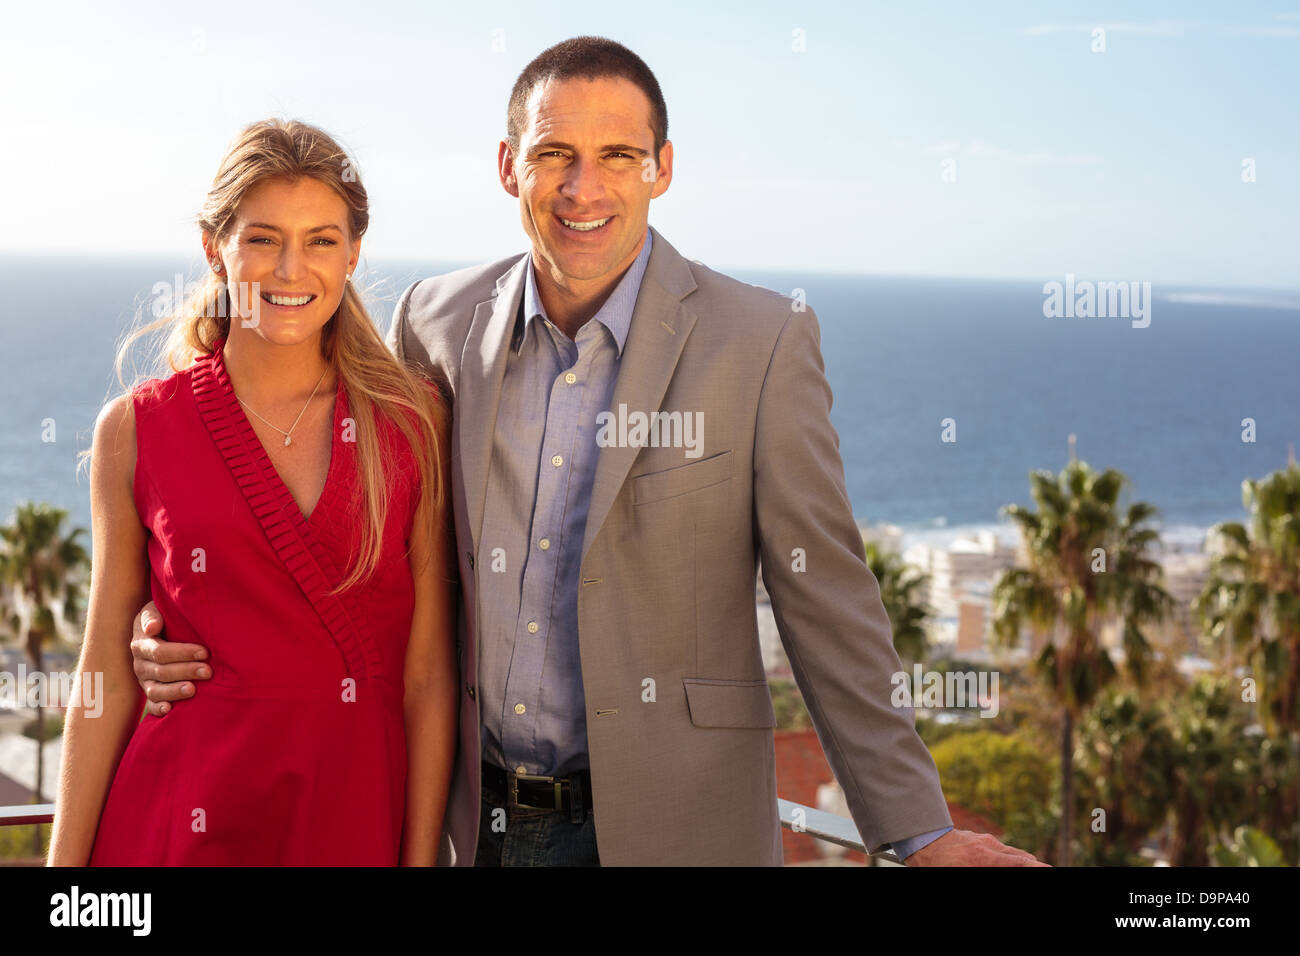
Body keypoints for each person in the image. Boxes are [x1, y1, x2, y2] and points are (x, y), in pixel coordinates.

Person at [131, 39, 1045, 866]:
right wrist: (170, 622)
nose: (583, 189)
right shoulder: (433, 325)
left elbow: (827, 596)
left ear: (663, 169)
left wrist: (918, 831)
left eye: (617, 156)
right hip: (467, 826)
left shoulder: (759, 343)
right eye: (553, 155)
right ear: (507, 167)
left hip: (672, 832)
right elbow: (347, 536)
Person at [49, 119, 458, 866]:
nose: (291, 270)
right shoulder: (137, 429)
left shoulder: (413, 421)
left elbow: (427, 675)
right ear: (215, 248)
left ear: (354, 251)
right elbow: (104, 663)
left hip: (351, 818)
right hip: (175, 818)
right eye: (263, 239)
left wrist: (420, 858)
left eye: (322, 241)